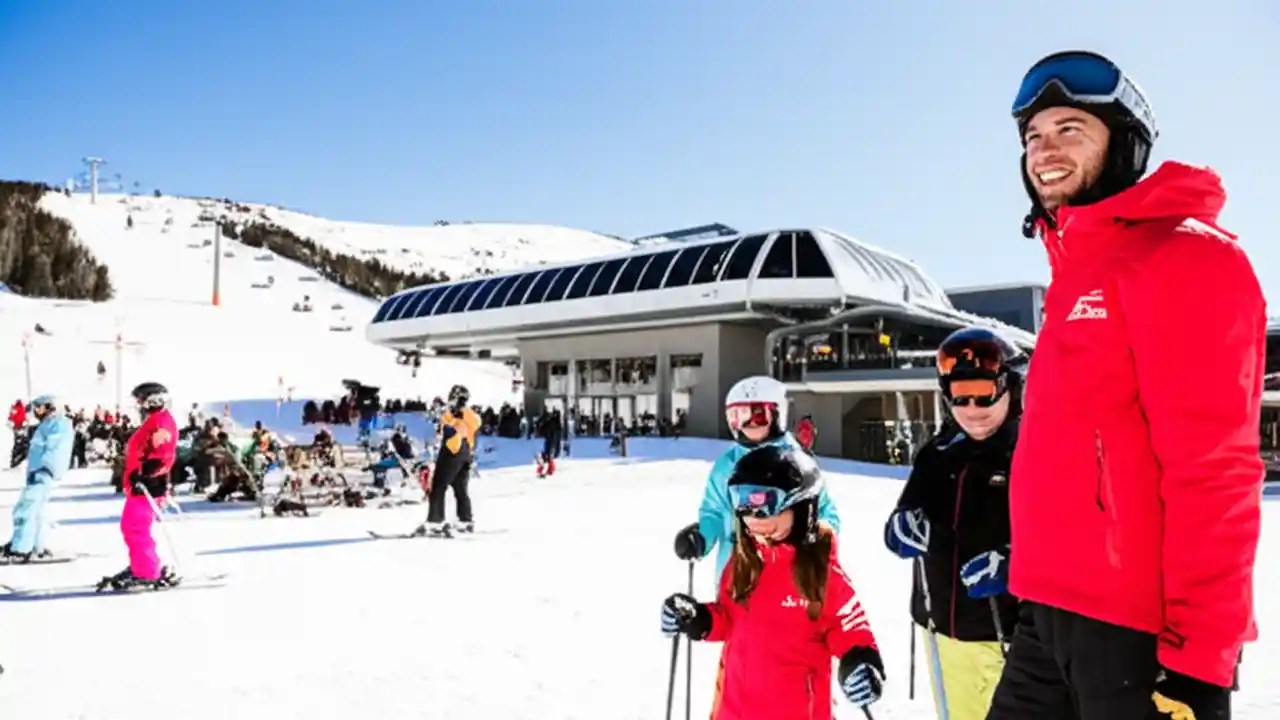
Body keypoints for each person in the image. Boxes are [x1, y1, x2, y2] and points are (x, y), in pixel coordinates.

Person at [987, 50, 1265, 720]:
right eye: (1034, 136)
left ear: (1124, 143)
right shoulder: (1075, 275)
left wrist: (1202, 656)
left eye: (1070, 130)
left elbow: (1216, 468)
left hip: (1133, 634)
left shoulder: (1187, 256)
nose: (1045, 150)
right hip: (1045, 614)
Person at [660, 445, 883, 718]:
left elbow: (850, 627)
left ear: (802, 508)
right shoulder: (744, 561)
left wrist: (861, 662)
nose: (755, 520)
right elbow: (729, 618)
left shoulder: (820, 572)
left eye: (767, 507)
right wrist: (698, 617)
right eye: (745, 506)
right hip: (735, 709)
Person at [883, 327, 1021, 720]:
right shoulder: (938, 454)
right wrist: (899, 530)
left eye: (984, 391)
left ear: (1011, 385)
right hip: (942, 628)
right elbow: (905, 511)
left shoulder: (1031, 452)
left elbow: (1066, 540)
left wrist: (1013, 564)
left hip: (1011, 636)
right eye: (960, 395)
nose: (973, 407)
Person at [672, 375, 840, 582]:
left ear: (779, 414)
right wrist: (701, 537)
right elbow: (715, 511)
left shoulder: (797, 463)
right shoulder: (727, 465)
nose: (749, 424)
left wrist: (818, 539)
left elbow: (824, 511)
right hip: (738, 574)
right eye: (739, 416)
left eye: (758, 415)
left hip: (790, 575)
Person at [98, 382, 181, 590]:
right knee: (133, 527)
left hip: (149, 485)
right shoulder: (155, 420)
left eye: (141, 400)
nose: (138, 404)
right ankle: (142, 565)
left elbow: (162, 454)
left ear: (153, 399)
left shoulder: (161, 422)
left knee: (135, 527)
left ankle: (146, 571)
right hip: (143, 483)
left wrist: (146, 474)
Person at [1, 395, 74, 563]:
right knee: (36, 510)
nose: (36, 411)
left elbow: (57, 448)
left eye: (39, 407)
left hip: (43, 471)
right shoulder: (48, 424)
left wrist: (46, 468)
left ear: (50, 407)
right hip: (38, 470)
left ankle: (20, 548)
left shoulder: (59, 424)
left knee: (26, 508)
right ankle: (34, 545)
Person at [415, 384, 480, 537]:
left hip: (453, 450)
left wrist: (457, 413)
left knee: (438, 486)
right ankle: (465, 520)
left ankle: (435, 522)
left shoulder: (464, 413)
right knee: (460, 488)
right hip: (464, 453)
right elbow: (444, 425)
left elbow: (468, 424)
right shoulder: (459, 413)